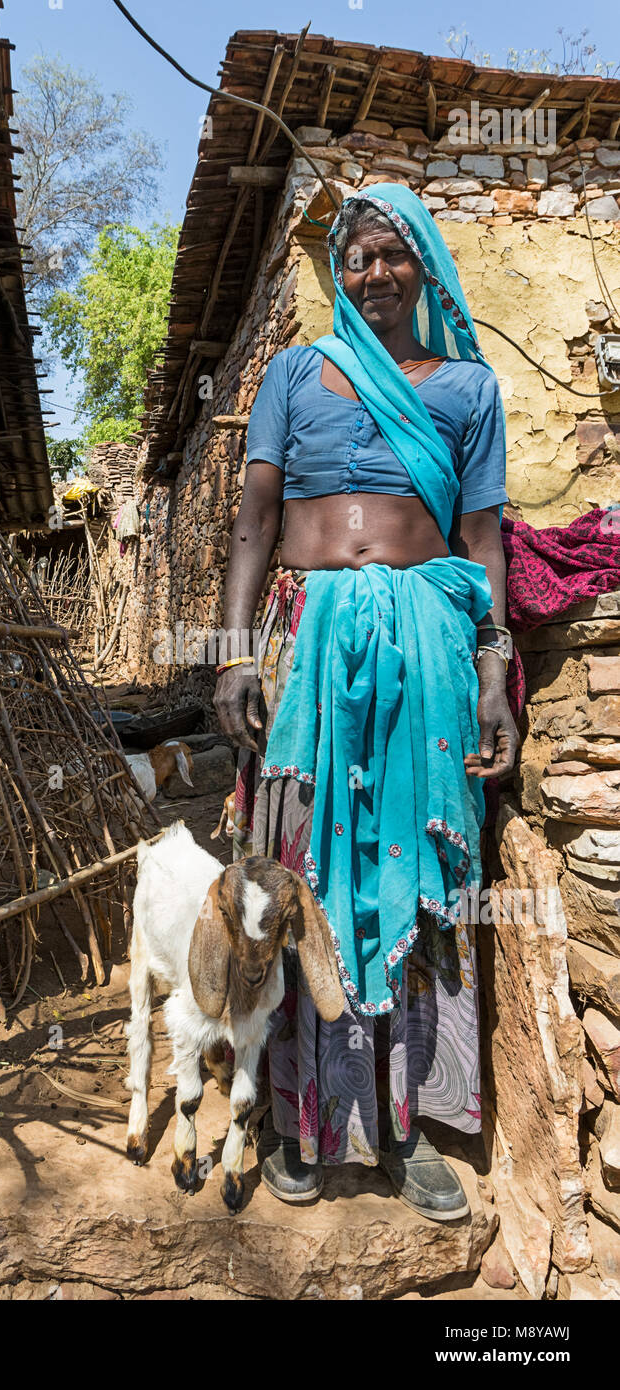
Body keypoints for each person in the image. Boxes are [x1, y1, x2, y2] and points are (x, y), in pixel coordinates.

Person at [214, 183, 518, 1221]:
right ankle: (298, 1118)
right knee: (296, 874)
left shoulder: (470, 390)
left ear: (424, 266)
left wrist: (492, 672)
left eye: (395, 255)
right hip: (306, 643)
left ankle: (404, 1129)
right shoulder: (295, 374)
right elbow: (254, 520)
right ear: (336, 273)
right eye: (359, 258)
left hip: (428, 646)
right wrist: (227, 655)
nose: (376, 272)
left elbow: (483, 544)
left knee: (416, 879)